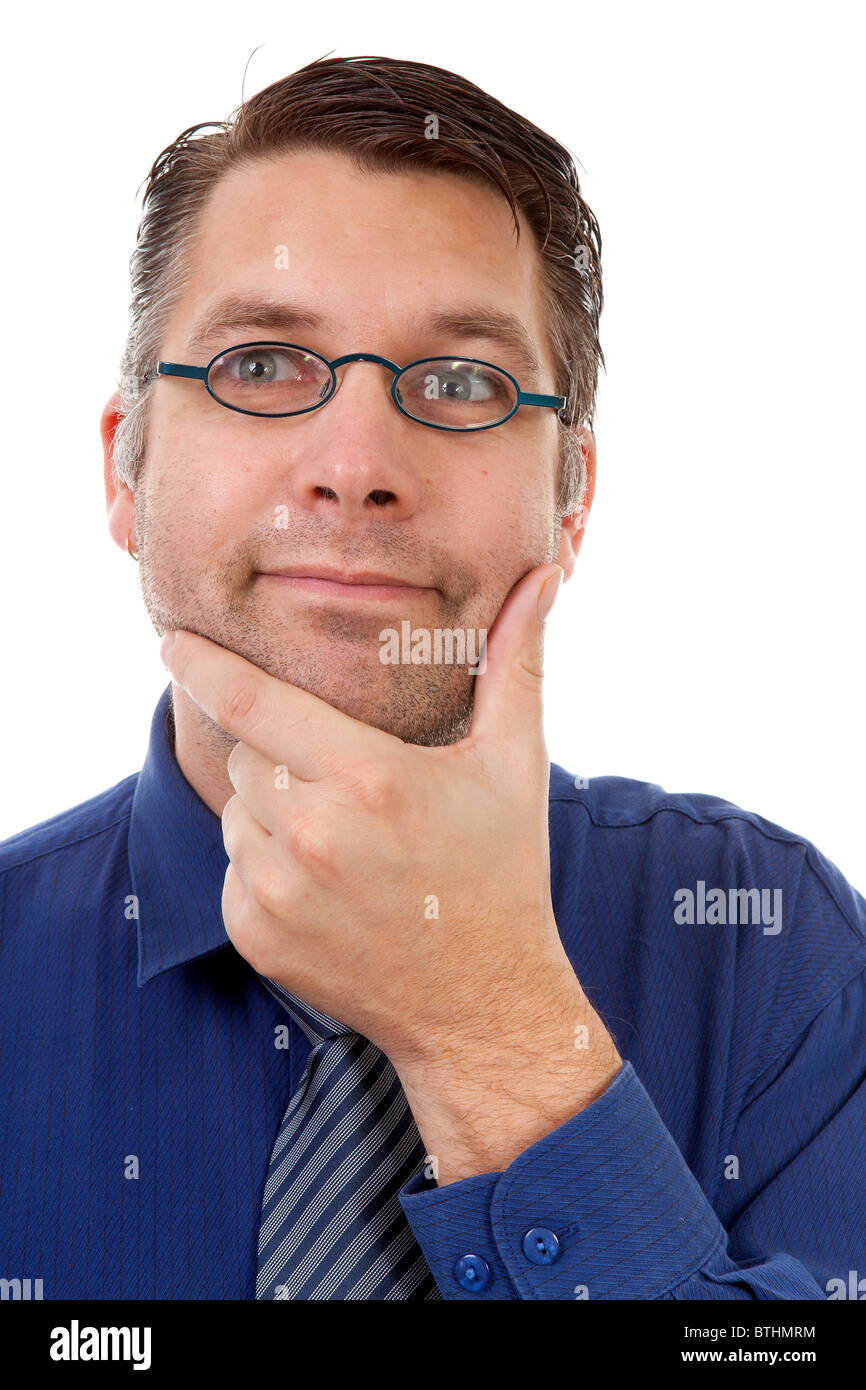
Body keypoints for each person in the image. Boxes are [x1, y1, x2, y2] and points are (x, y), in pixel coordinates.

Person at [1, 54, 863, 1302]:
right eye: (258, 365)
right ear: (124, 473)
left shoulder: (773, 953)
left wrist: (485, 1029)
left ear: (569, 503)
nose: (353, 466)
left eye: (459, 383)